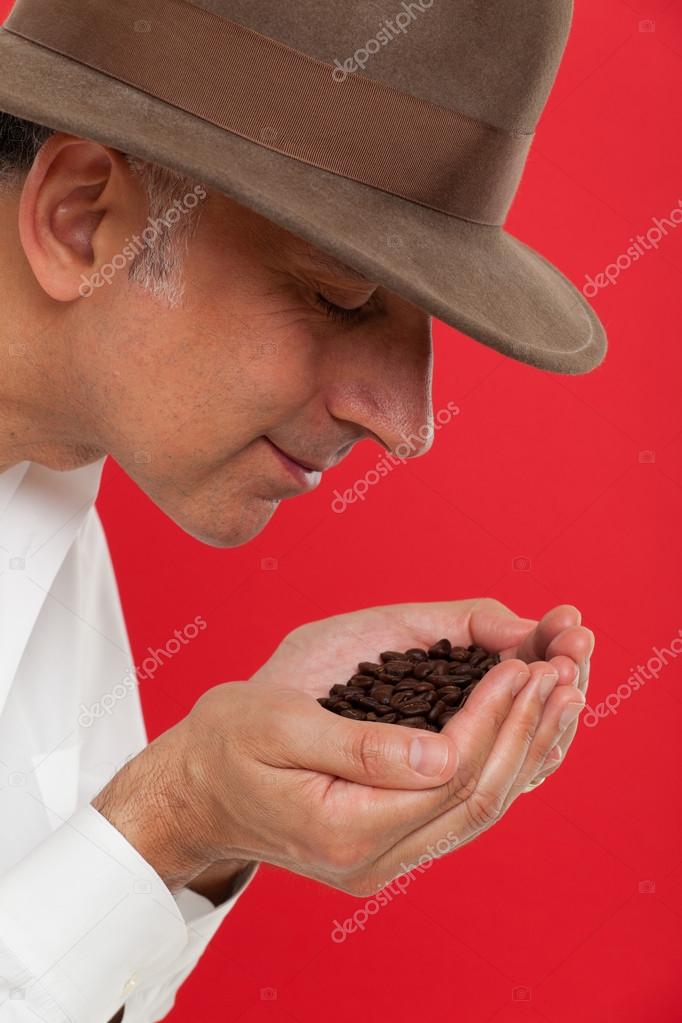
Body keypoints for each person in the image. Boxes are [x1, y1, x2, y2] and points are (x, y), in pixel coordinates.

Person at [0, 1, 601, 1020]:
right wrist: (174, 813)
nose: (407, 429)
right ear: (80, 216)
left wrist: (214, 822)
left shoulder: (51, 502)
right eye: (337, 297)